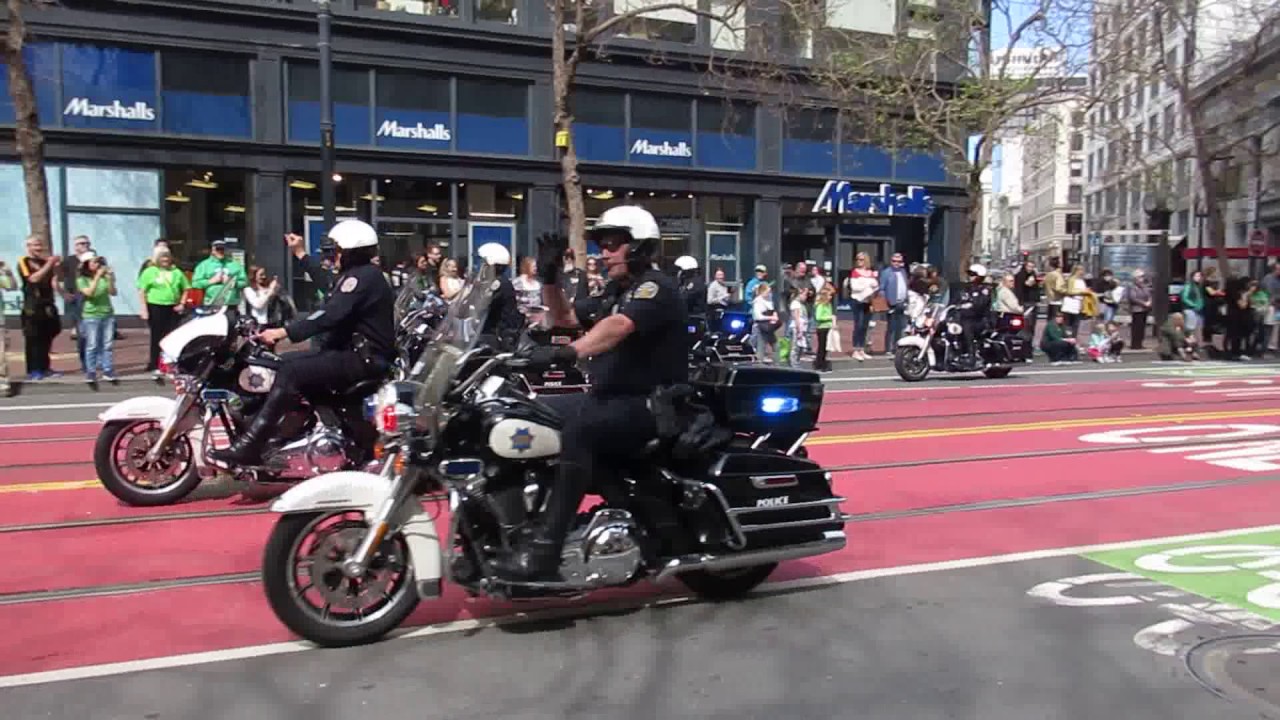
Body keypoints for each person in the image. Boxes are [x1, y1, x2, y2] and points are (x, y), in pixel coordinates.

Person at [490, 205, 689, 582]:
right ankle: (524, 523)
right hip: (611, 397)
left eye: (613, 244)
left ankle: (546, 551)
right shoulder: (617, 289)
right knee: (532, 411)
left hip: (650, 403)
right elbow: (566, 319)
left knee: (579, 430)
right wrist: (550, 278)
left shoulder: (656, 287)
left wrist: (570, 351)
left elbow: (618, 326)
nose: (604, 252)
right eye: (601, 244)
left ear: (641, 246)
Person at [210, 220, 396, 466]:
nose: (333, 255)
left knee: (290, 369)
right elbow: (327, 284)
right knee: (282, 363)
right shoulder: (356, 276)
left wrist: (282, 332)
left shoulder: (364, 278)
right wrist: (300, 254)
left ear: (351, 252)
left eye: (337, 250)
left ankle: (251, 445)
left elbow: (331, 314)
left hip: (364, 358)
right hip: (354, 354)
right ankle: (343, 435)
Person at [476, 242, 525, 350]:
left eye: (484, 263)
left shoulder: (499, 283)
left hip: (498, 335)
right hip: (491, 332)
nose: (481, 266)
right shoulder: (493, 282)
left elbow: (482, 305)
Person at [955, 263, 993, 366]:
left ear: (979, 277)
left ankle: (971, 355)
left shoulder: (984, 290)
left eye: (973, 274)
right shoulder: (966, 288)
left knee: (967, 327)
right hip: (966, 318)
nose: (970, 276)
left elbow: (979, 305)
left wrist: (969, 306)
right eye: (970, 274)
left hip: (980, 320)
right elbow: (957, 301)